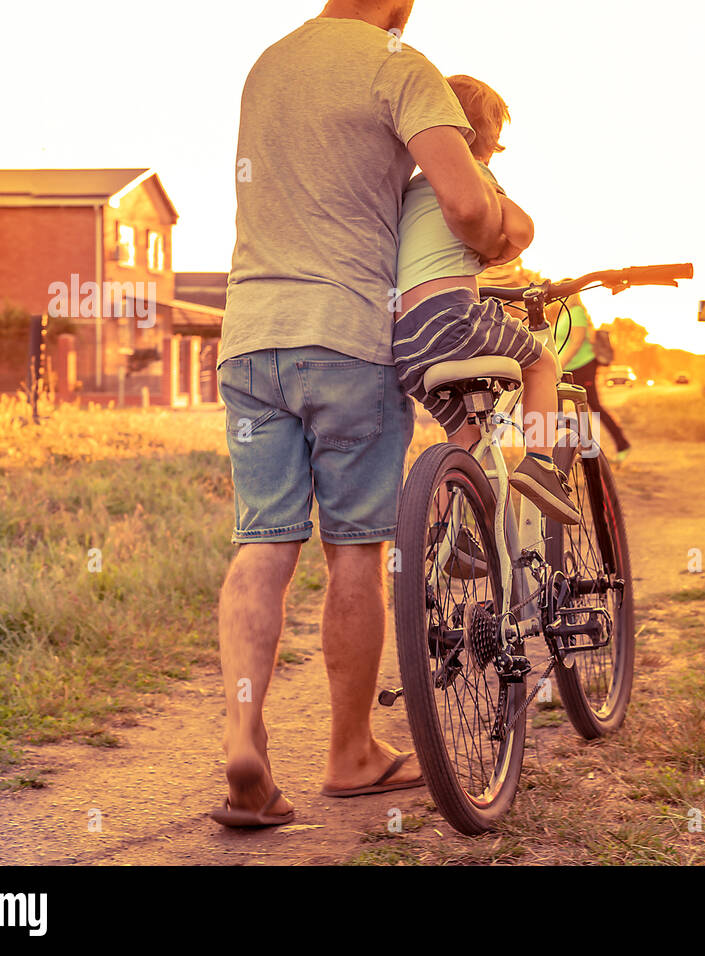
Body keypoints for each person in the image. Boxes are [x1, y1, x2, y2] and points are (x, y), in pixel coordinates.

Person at [211, 0, 516, 828]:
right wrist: (502, 237)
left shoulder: (269, 63)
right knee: (355, 549)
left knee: (263, 541)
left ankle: (244, 733)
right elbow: (464, 206)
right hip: (345, 336)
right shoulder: (398, 65)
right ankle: (349, 754)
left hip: (249, 338)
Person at [393, 75, 580, 525]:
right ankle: (541, 463)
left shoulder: (409, 190)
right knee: (542, 364)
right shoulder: (470, 173)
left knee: (466, 435)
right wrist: (497, 250)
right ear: (486, 141)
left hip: (405, 344)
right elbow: (521, 228)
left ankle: (446, 536)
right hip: (452, 318)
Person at [554, 296, 633, 464]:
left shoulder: (576, 312)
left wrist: (558, 365)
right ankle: (573, 448)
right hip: (569, 367)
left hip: (583, 366)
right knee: (554, 403)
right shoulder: (564, 313)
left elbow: (576, 342)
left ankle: (621, 444)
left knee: (593, 406)